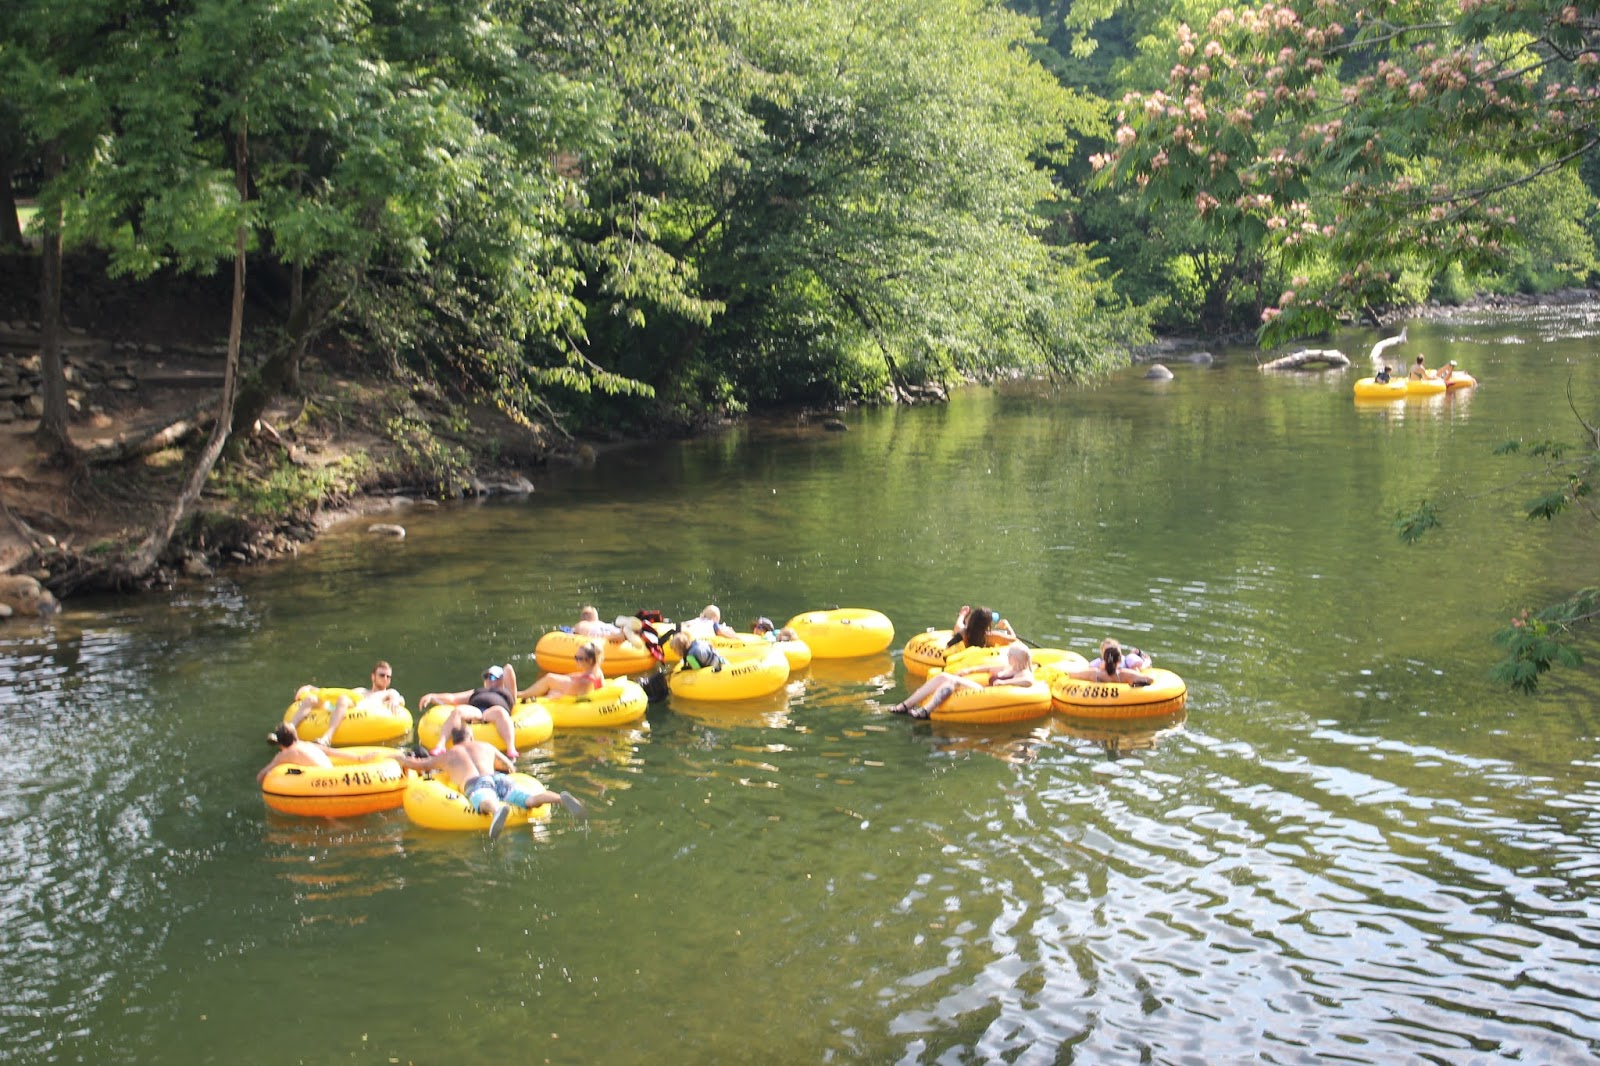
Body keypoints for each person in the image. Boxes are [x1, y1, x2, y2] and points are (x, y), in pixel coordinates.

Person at [396, 725, 586, 841]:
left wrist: (398, 759)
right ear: (471, 737)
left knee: (483, 799)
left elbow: (420, 764)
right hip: (497, 777)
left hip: (475, 783)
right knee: (529, 799)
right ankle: (559, 798)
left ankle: (497, 811)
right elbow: (510, 767)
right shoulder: (486, 746)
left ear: (454, 741)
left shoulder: (449, 755)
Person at [890, 643, 1034, 720]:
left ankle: (922, 710)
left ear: (1016, 658)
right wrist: (969, 670)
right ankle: (909, 706)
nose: (1007, 656)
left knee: (952, 681)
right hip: (985, 690)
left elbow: (1028, 681)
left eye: (1009, 655)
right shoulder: (1008, 667)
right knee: (944, 678)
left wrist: (1004, 683)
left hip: (991, 695)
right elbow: (988, 667)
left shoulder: (1023, 673)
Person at [287, 660, 406, 746]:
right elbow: (336, 694)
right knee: (310, 700)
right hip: (344, 708)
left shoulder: (388, 693)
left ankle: (327, 737)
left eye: (388, 677)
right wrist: (311, 689)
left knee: (343, 699)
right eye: (382, 675)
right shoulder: (361, 691)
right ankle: (288, 731)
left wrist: (396, 700)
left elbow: (398, 698)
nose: (385, 679)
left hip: (362, 716)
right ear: (373, 676)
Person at [420, 663, 523, 758]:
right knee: (458, 711)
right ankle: (440, 746)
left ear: (502, 679)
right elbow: (452, 698)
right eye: (486, 677)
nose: (489, 680)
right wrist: (432, 696)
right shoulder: (478, 691)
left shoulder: (508, 692)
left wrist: (502, 676)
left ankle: (511, 749)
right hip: (477, 711)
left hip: (494, 711)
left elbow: (508, 668)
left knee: (500, 712)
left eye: (492, 677)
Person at [256, 722, 386, 782]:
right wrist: (360, 759)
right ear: (296, 736)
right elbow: (332, 751)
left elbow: (261, 776)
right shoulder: (308, 744)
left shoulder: (285, 754)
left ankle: (334, 823)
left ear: (281, 745)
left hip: (326, 781)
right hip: (334, 774)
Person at [520, 639, 606, 699]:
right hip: (580, 690)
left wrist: (553, 692)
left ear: (590, 661)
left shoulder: (586, 682)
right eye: (576, 657)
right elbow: (575, 678)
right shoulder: (596, 671)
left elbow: (565, 693)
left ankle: (521, 695)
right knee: (553, 683)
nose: (576, 660)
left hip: (576, 699)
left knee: (549, 678)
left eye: (579, 658)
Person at [1067, 644, 1153, 686]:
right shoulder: (1124, 674)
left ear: (1104, 659)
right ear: (1119, 660)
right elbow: (1150, 679)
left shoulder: (1093, 673)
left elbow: (1069, 675)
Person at [946, 605, 1017, 650]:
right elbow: (1013, 638)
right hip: (982, 658)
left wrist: (963, 614)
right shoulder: (991, 636)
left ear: (972, 619)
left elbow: (949, 645)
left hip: (966, 655)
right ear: (987, 624)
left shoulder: (963, 633)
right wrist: (1007, 625)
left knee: (959, 626)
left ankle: (962, 614)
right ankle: (962, 614)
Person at [573, 606, 645, 647]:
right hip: (610, 627)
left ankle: (622, 634)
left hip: (598, 632)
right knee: (616, 632)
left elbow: (571, 633)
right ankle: (624, 628)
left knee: (605, 637)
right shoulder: (601, 623)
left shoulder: (582, 624)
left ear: (583, 617)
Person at [1088, 638, 1153, 673]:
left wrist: (1147, 662)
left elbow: (1140, 666)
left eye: (1113, 650)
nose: (1111, 653)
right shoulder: (1098, 663)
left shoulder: (1128, 659)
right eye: (1108, 651)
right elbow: (1089, 670)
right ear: (1102, 653)